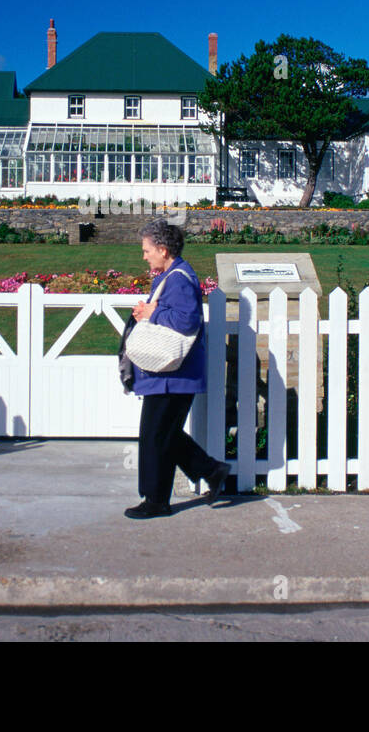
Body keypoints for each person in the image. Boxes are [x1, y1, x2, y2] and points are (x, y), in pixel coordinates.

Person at [124, 219, 230, 519]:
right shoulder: (171, 275)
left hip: (174, 375)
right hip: (171, 375)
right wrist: (150, 311)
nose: (144, 256)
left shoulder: (179, 278)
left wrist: (151, 312)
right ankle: (211, 470)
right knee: (163, 434)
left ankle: (157, 501)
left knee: (157, 436)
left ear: (163, 249)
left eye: (147, 251)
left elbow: (187, 321)